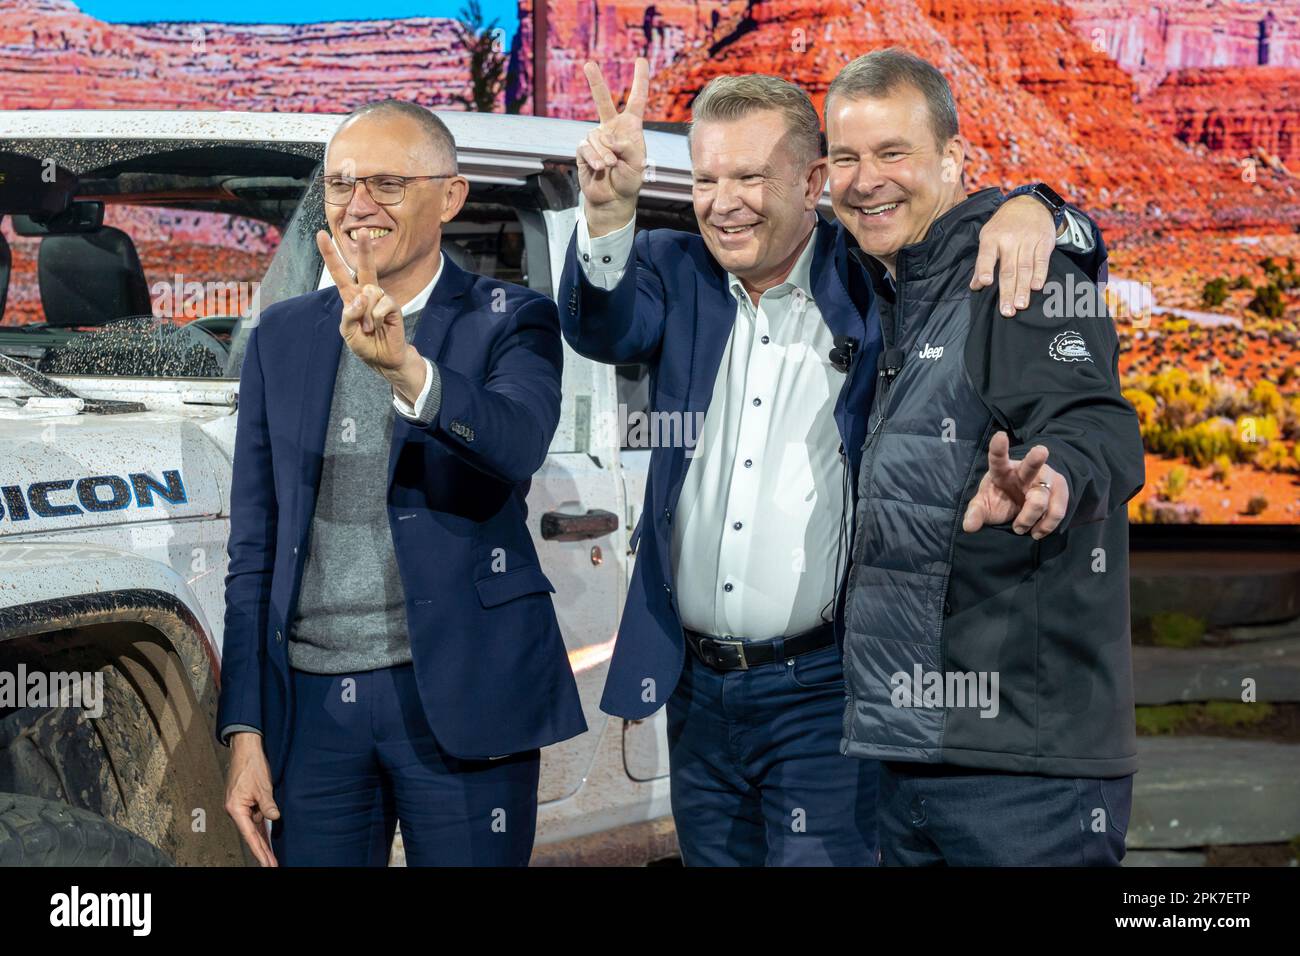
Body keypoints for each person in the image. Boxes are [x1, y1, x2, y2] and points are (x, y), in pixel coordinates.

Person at [559, 58, 1101, 865]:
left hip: (827, 686)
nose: (724, 202)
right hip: (698, 692)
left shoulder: (873, 278)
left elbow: (979, 248)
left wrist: (1042, 209)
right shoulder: (676, 273)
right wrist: (606, 212)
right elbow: (600, 329)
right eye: (707, 179)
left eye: (750, 176)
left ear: (813, 179)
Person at [217, 100, 585, 867]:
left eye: (387, 183)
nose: (358, 206)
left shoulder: (511, 318)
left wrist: (406, 371)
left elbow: (515, 443)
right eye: (343, 183)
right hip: (311, 711)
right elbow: (252, 549)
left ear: (449, 196)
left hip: (460, 693)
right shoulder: (280, 337)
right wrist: (244, 729)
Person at [826, 48, 1144, 866]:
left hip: (1026, 777)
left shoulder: (1019, 275)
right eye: (847, 158)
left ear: (954, 159)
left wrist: (1055, 482)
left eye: (893, 153)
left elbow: (1098, 426)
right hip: (915, 756)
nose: (867, 180)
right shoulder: (891, 287)